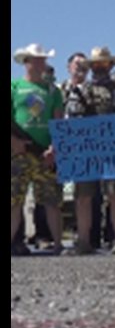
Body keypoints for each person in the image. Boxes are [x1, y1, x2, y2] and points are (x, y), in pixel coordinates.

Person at [63, 47, 115, 255]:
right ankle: (84, 242)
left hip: (114, 149)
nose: (100, 68)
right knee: (83, 197)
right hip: (86, 150)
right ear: (91, 67)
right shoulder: (79, 90)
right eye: (96, 64)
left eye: (104, 64)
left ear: (110, 66)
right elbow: (69, 120)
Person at [11, 44, 65, 255]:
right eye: (38, 59)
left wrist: (54, 147)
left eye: (44, 59)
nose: (43, 63)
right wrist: (14, 141)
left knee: (52, 201)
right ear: (27, 62)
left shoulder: (54, 91)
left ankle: (58, 244)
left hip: (45, 153)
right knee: (14, 201)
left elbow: (58, 121)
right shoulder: (14, 86)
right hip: (18, 153)